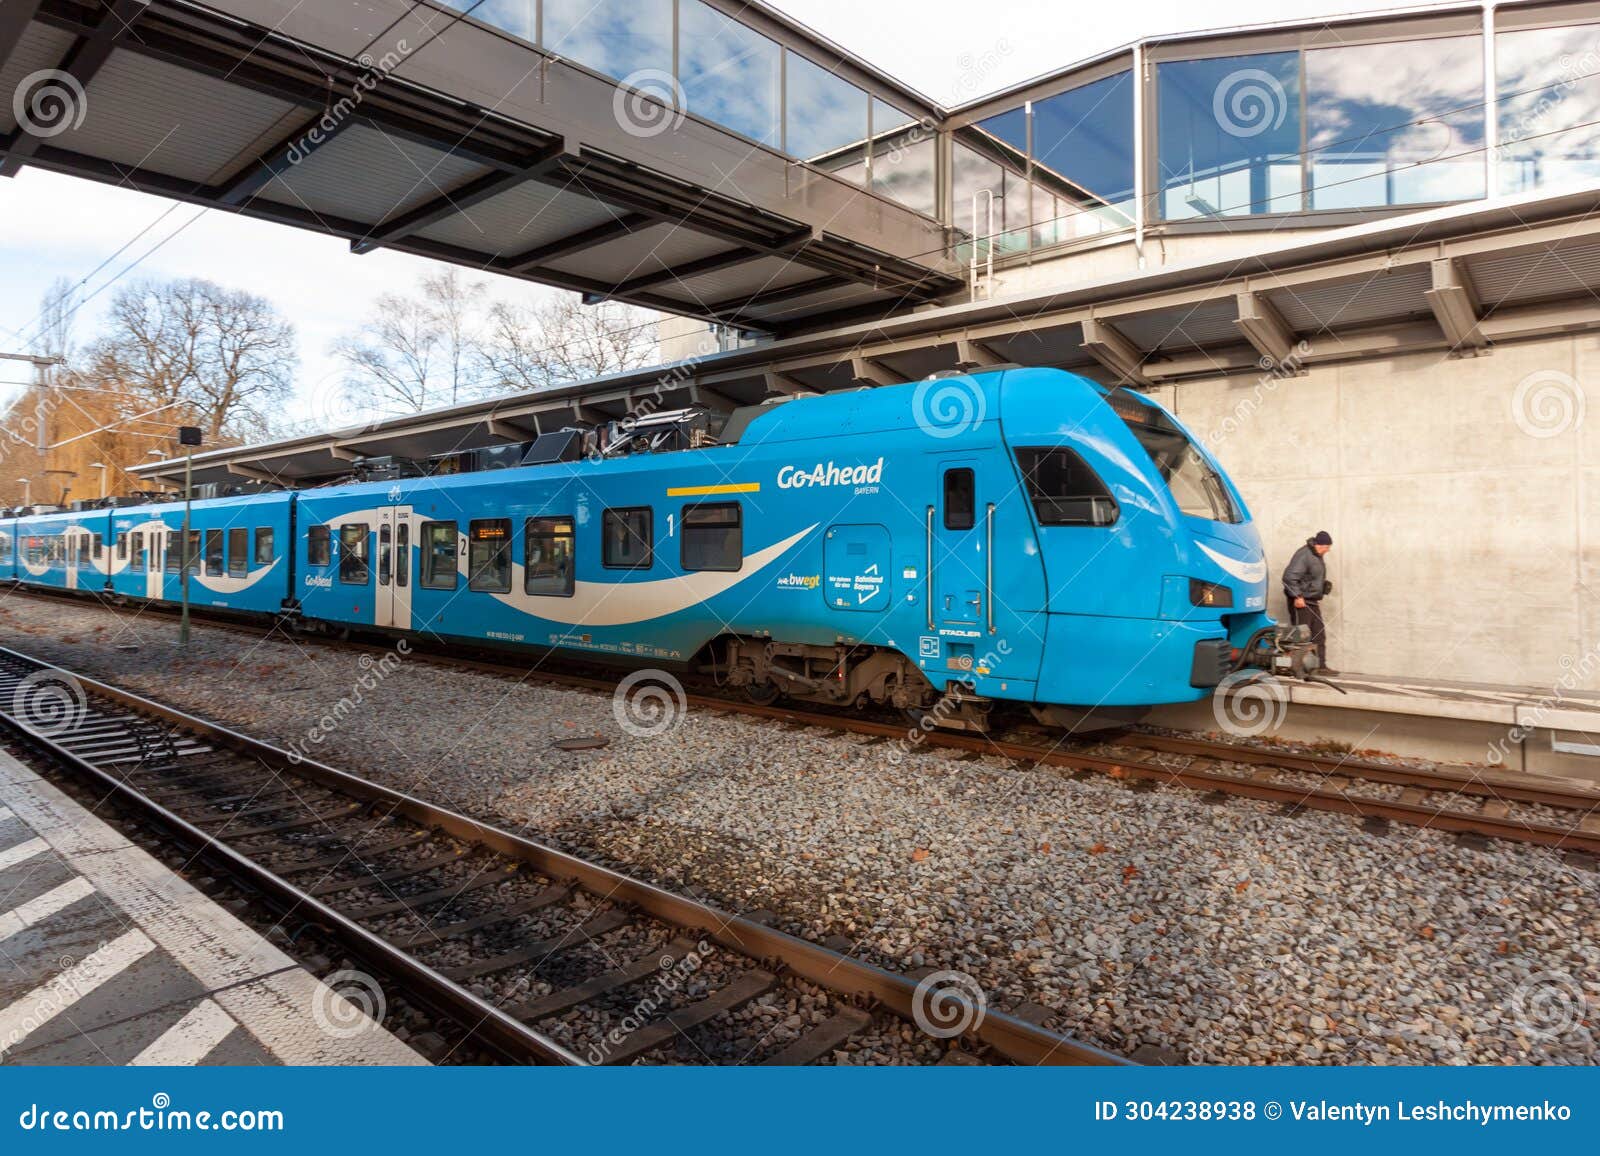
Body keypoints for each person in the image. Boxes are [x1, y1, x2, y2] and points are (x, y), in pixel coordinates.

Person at [1282, 531, 1338, 677]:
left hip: (1311, 601)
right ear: (1320, 545)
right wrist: (1297, 596)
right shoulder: (1304, 554)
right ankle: (1297, 669)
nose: (1328, 550)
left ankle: (1320, 666)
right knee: (1302, 637)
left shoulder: (1317, 555)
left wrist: (1321, 587)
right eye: (1327, 547)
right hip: (1301, 601)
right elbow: (1289, 577)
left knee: (1319, 633)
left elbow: (1309, 577)